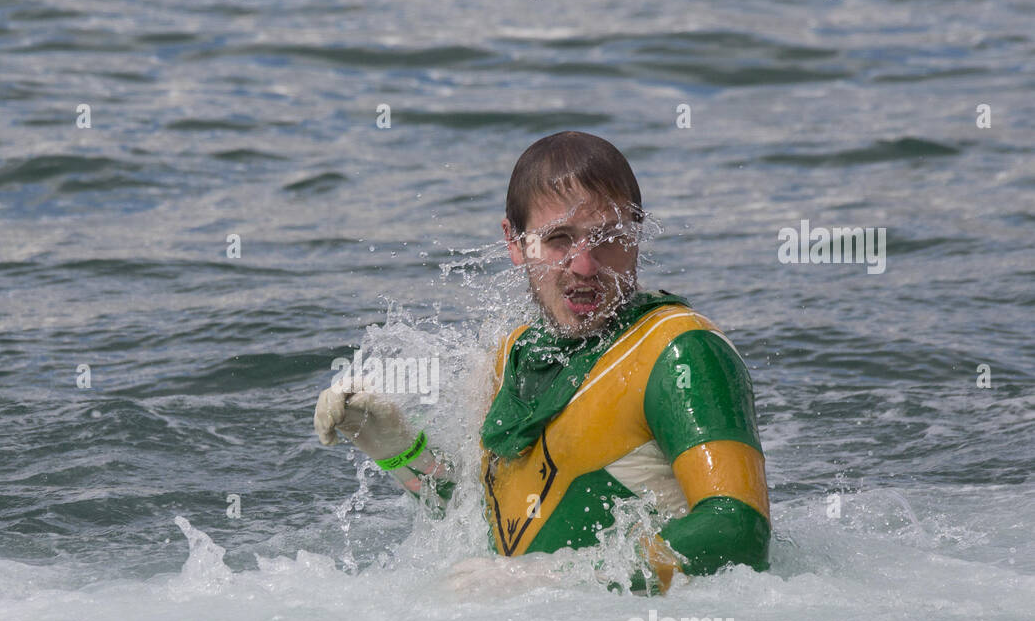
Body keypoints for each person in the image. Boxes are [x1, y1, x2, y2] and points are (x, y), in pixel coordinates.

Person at [314, 131, 770, 593]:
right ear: (515, 243)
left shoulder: (682, 352)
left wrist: (550, 579)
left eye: (609, 239)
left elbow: (738, 533)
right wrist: (393, 447)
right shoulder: (506, 357)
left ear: (637, 234)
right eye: (558, 240)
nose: (586, 266)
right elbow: (476, 526)